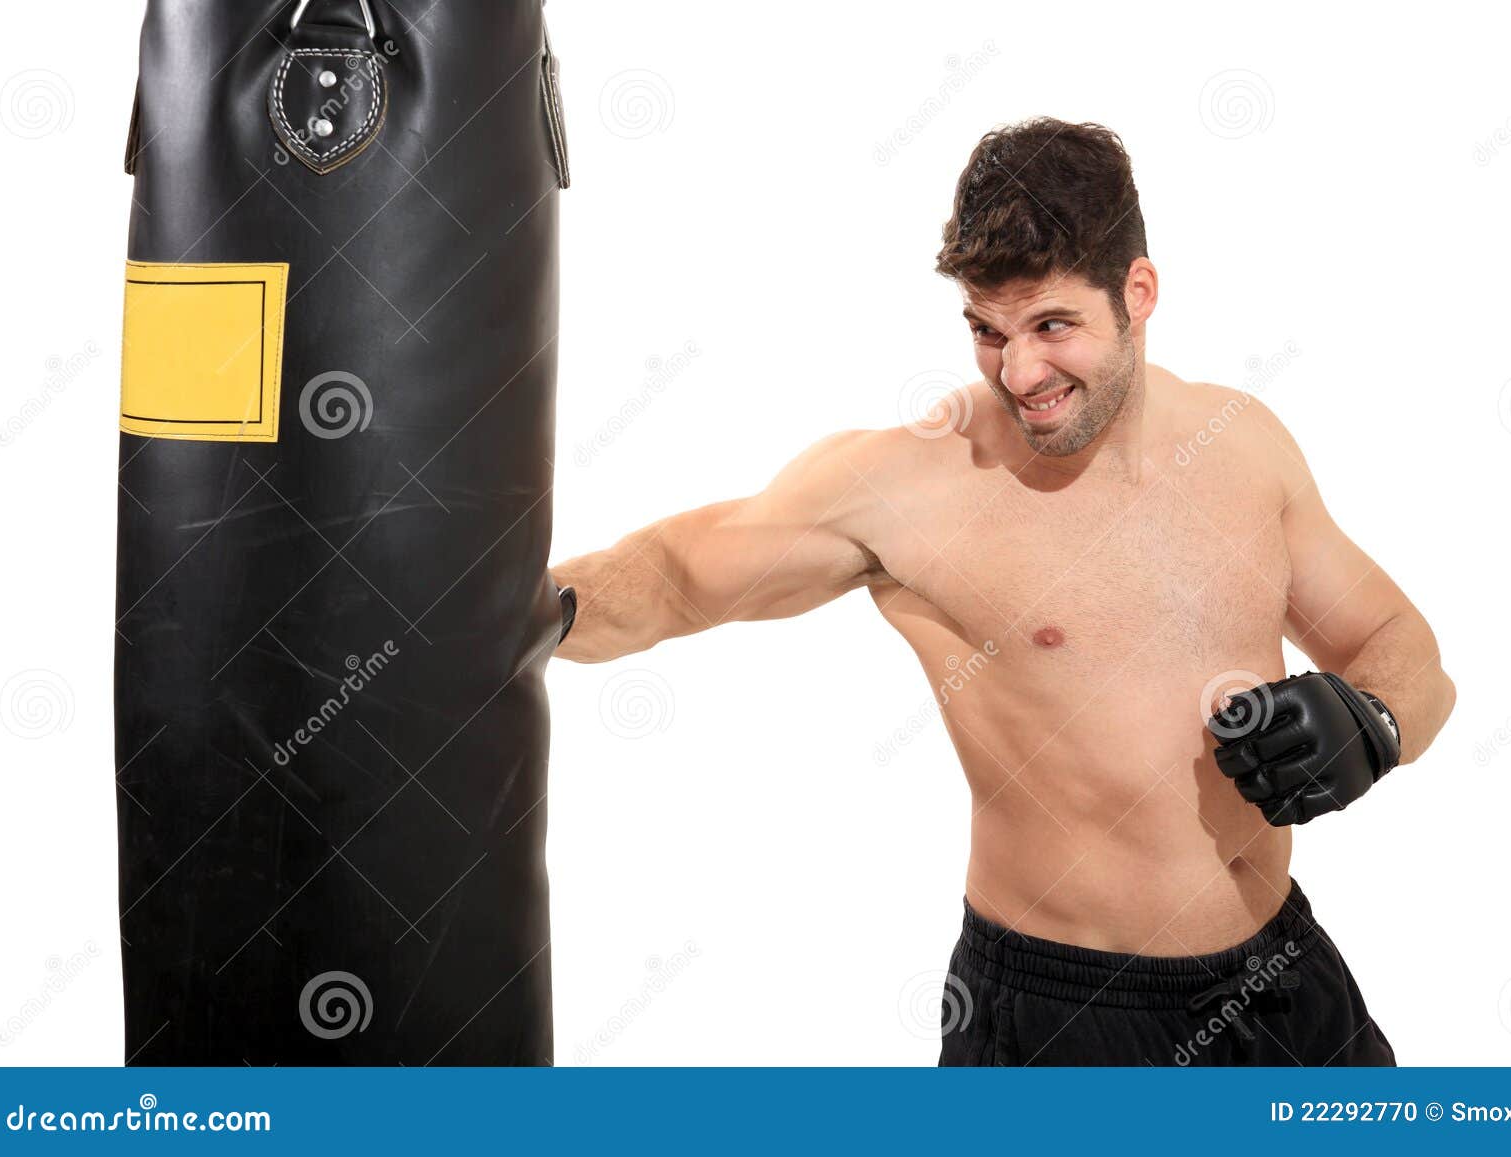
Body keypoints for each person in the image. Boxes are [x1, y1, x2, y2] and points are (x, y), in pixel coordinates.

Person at [550, 118, 1456, 1065]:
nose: (1019, 373)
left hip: (1287, 979)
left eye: (1052, 325)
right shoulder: (907, 487)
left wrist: (1374, 722)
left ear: (1138, 292)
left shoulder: (1242, 441)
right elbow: (678, 575)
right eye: (988, 330)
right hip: (1071, 1020)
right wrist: (483, 616)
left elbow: (1404, 646)